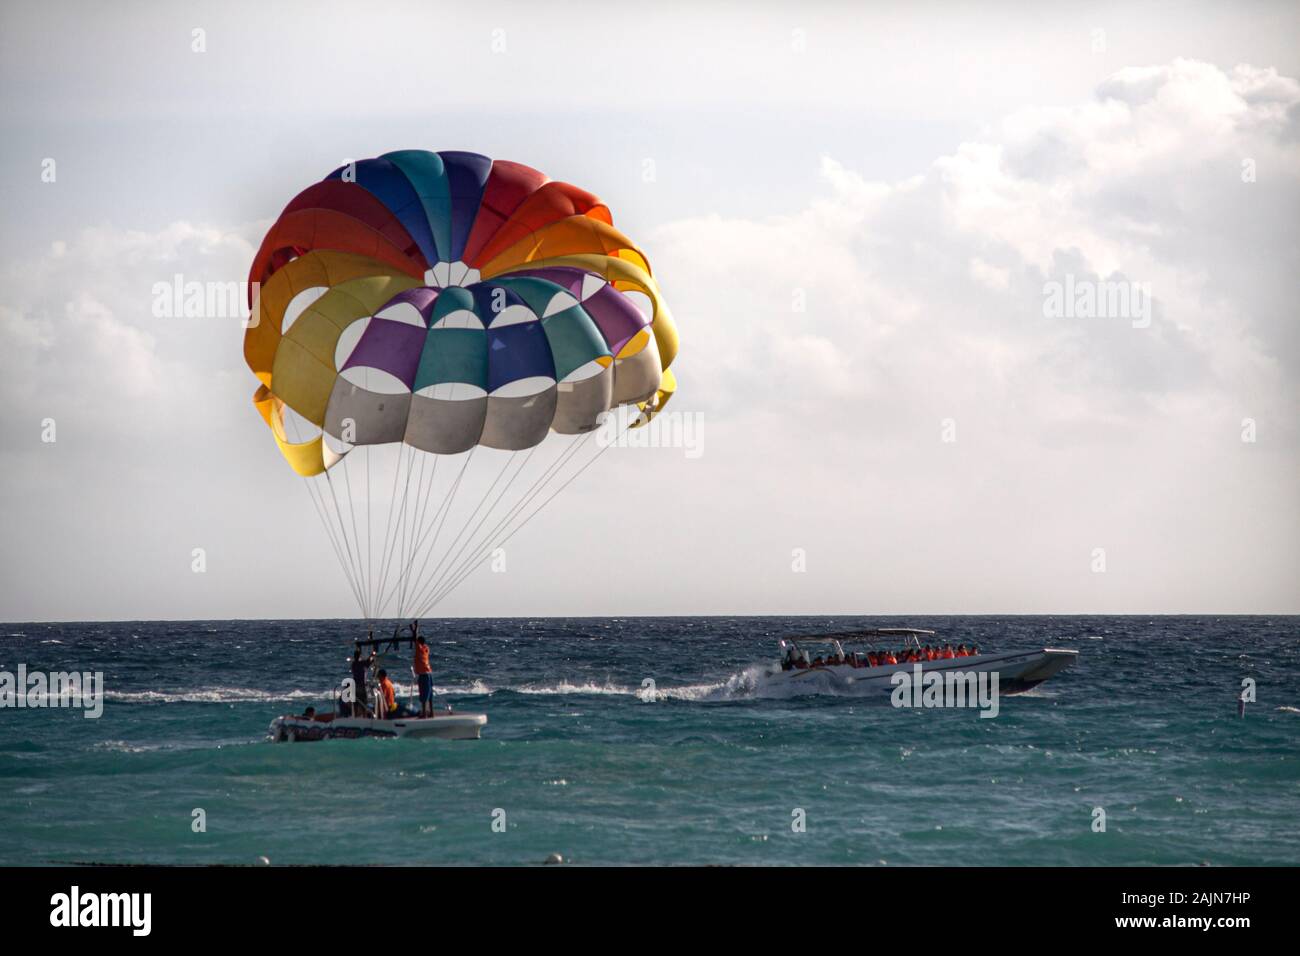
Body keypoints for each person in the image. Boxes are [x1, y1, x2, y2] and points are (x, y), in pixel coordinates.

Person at [349, 644, 375, 717]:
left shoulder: (353, 664)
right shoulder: (360, 663)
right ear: (359, 656)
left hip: (355, 686)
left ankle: (356, 717)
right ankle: (364, 716)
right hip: (361, 686)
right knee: (363, 702)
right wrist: (372, 655)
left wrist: (370, 657)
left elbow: (366, 663)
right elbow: (368, 663)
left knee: (356, 703)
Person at [413, 632, 434, 716]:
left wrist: (414, 630)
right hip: (429, 674)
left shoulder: (420, 649)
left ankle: (424, 713)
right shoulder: (426, 649)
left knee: (423, 694)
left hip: (423, 675)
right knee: (429, 694)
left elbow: (416, 641)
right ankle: (431, 712)